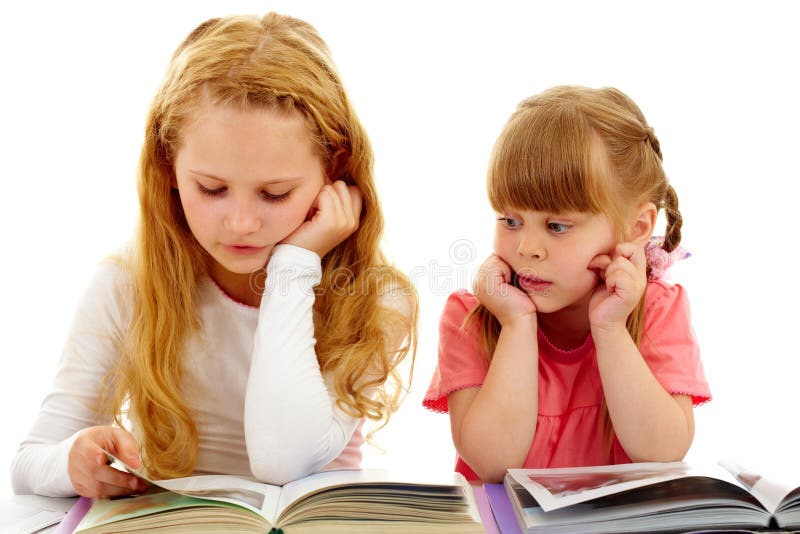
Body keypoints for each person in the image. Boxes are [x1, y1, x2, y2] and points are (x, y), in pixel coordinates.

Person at [11, 12, 417, 498]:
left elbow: (281, 460)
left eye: (274, 194)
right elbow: (30, 461)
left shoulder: (376, 298)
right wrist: (72, 459)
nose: (242, 223)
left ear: (336, 168)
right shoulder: (127, 282)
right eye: (212, 188)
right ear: (168, 167)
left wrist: (293, 267)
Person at [423, 86, 710, 483]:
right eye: (510, 220)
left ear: (637, 227)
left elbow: (663, 453)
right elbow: (492, 464)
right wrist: (517, 323)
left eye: (557, 226)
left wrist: (609, 327)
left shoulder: (656, 305)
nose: (526, 248)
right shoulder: (474, 314)